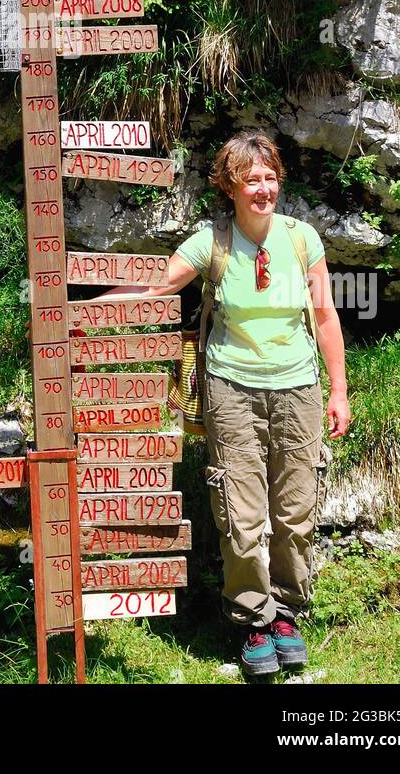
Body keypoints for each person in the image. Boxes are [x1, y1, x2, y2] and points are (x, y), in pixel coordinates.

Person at [160, 131, 351, 676]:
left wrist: (337, 390)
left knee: (295, 513)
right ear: (230, 186)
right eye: (252, 179)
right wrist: (78, 308)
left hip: (298, 391)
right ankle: (253, 622)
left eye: (269, 177)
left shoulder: (301, 239)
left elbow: (324, 318)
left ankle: (288, 613)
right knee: (240, 515)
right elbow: (155, 289)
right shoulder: (211, 243)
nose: (263, 188)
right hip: (231, 393)